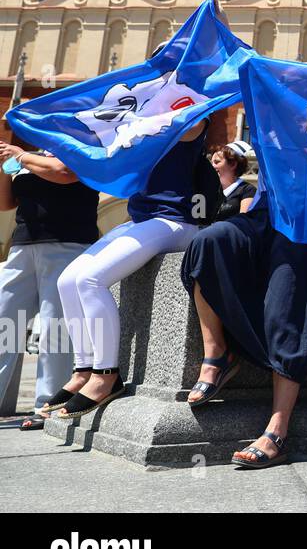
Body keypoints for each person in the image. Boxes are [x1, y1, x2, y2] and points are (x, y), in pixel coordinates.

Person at [51, 119, 210, 417]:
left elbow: (193, 123)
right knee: (67, 280)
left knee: (89, 279)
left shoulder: (189, 112)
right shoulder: (140, 113)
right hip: (142, 219)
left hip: (176, 220)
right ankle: (83, 370)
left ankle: (106, 375)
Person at [181, 145, 307, 469]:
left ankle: (278, 428)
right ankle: (218, 355)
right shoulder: (271, 100)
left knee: (286, 302)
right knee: (209, 243)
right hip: (265, 207)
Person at [0, 142, 99, 430]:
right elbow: (6, 203)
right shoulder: (34, 157)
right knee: (5, 322)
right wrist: (7, 166)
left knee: (55, 329)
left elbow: (64, 173)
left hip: (67, 243)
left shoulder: (81, 149)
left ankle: (48, 405)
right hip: (23, 245)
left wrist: (20, 155)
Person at [210, 140, 256, 222]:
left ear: (233, 164)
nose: (212, 166)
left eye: (217, 162)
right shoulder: (208, 190)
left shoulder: (247, 190)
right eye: (212, 162)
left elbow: (244, 223)